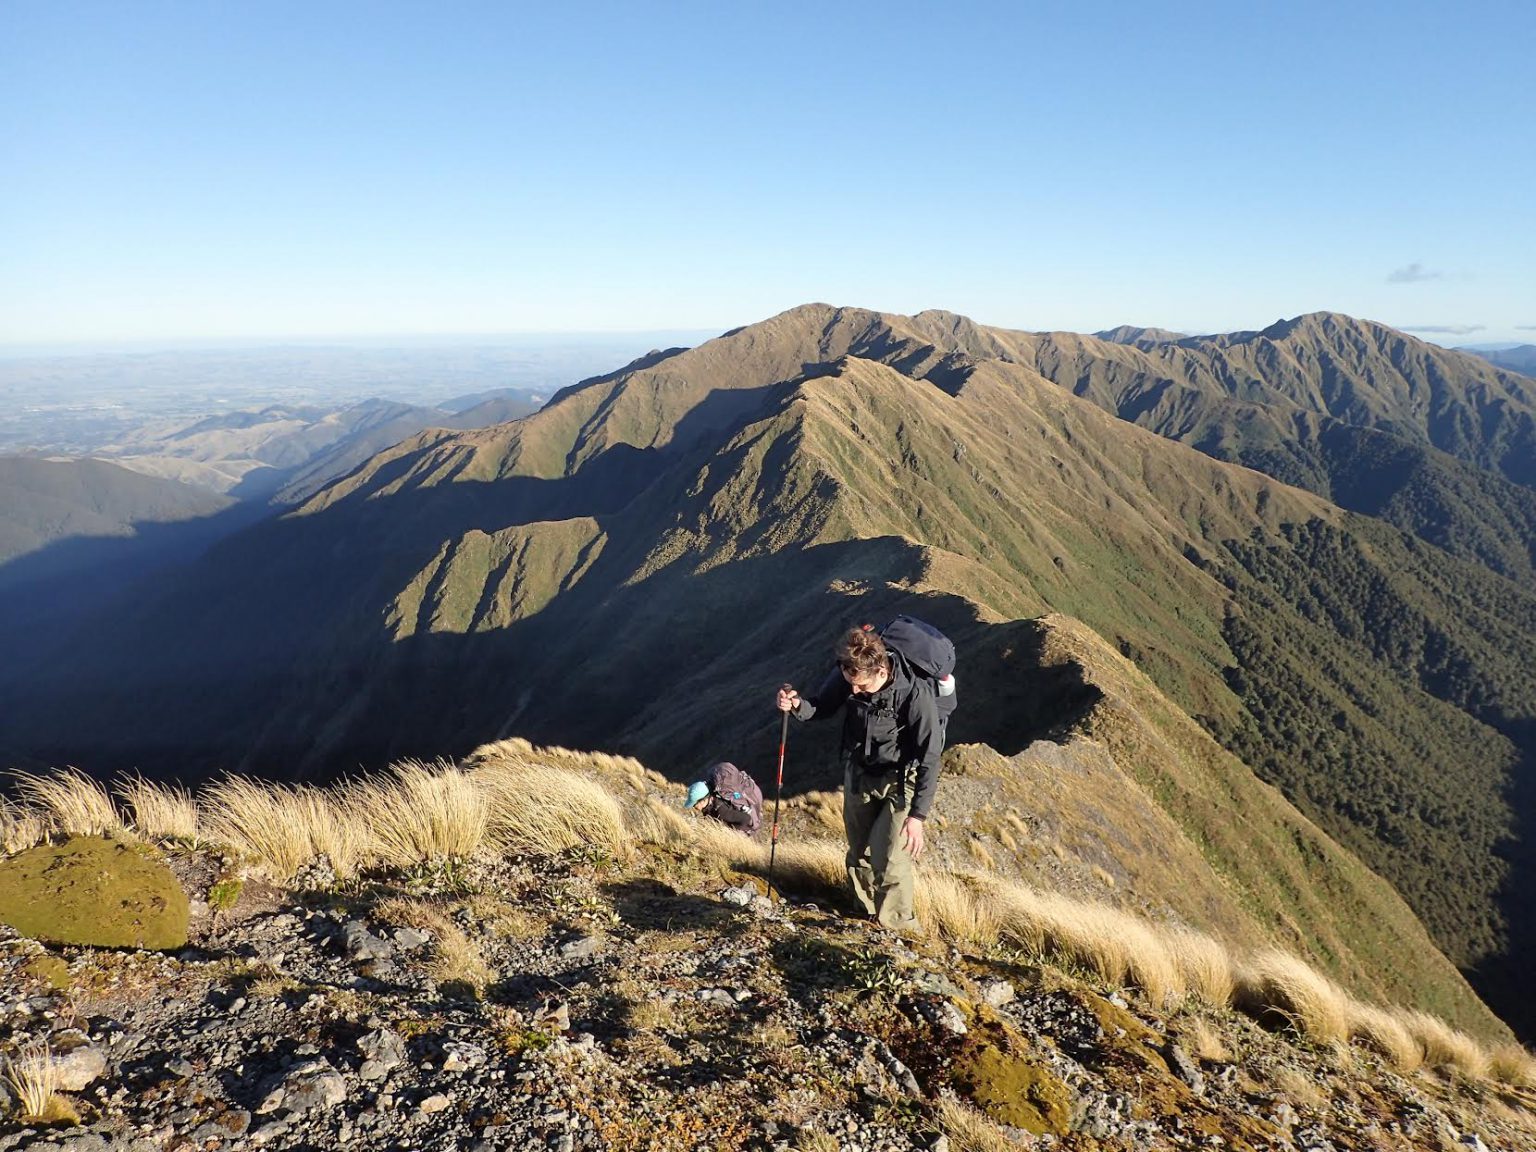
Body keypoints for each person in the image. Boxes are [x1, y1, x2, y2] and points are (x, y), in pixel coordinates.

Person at [776, 625, 942, 933]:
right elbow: (822, 706)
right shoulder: (850, 675)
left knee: (890, 858)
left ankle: (900, 931)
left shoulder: (914, 693)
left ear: (880, 670)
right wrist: (797, 705)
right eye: (850, 683)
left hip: (899, 780)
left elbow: (931, 756)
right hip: (859, 772)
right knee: (859, 852)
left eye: (861, 686)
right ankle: (863, 917)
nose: (854, 691)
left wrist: (918, 815)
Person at [685, 761, 763, 835]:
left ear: (704, 800)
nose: (694, 806)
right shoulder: (712, 804)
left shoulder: (722, 812)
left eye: (695, 804)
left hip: (746, 836)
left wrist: (733, 834)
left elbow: (746, 818)